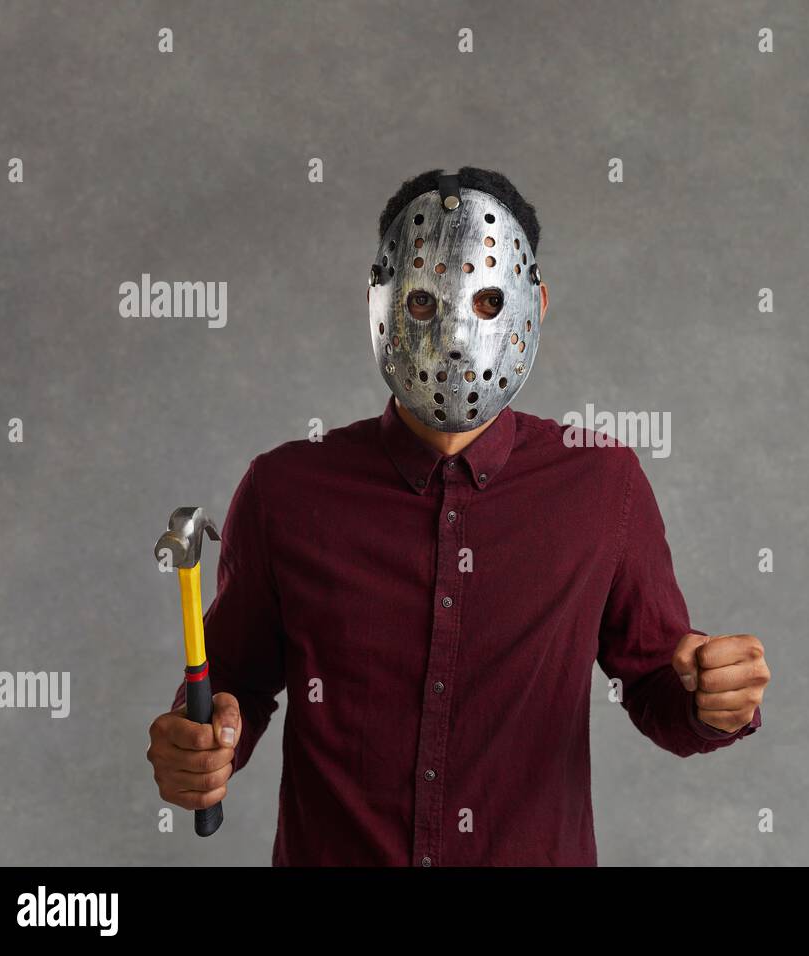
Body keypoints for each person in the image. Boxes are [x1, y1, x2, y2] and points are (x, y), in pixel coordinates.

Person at [145, 166, 769, 865]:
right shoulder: (286, 489)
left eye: (487, 298)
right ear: (379, 301)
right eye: (421, 303)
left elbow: (659, 685)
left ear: (535, 305)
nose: (451, 335)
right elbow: (234, 681)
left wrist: (711, 700)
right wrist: (201, 742)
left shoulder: (601, 485)